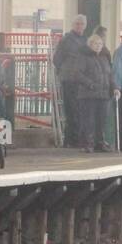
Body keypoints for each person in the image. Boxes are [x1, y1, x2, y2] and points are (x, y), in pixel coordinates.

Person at [75, 32, 116, 153]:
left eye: (100, 44)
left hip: (103, 94)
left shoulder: (104, 58)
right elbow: (77, 74)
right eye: (95, 43)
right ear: (90, 44)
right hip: (88, 94)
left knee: (101, 120)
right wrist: (90, 84)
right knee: (89, 120)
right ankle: (88, 143)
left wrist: (115, 87)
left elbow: (109, 75)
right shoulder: (83, 57)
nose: (98, 46)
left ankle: (99, 142)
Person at [52, 14, 87, 147]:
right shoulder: (66, 40)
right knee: (71, 110)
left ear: (85, 26)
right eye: (77, 24)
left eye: (81, 24)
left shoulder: (85, 39)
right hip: (70, 79)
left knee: (79, 110)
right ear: (73, 25)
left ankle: (74, 139)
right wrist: (66, 70)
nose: (79, 26)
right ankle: (72, 140)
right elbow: (57, 59)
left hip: (80, 79)